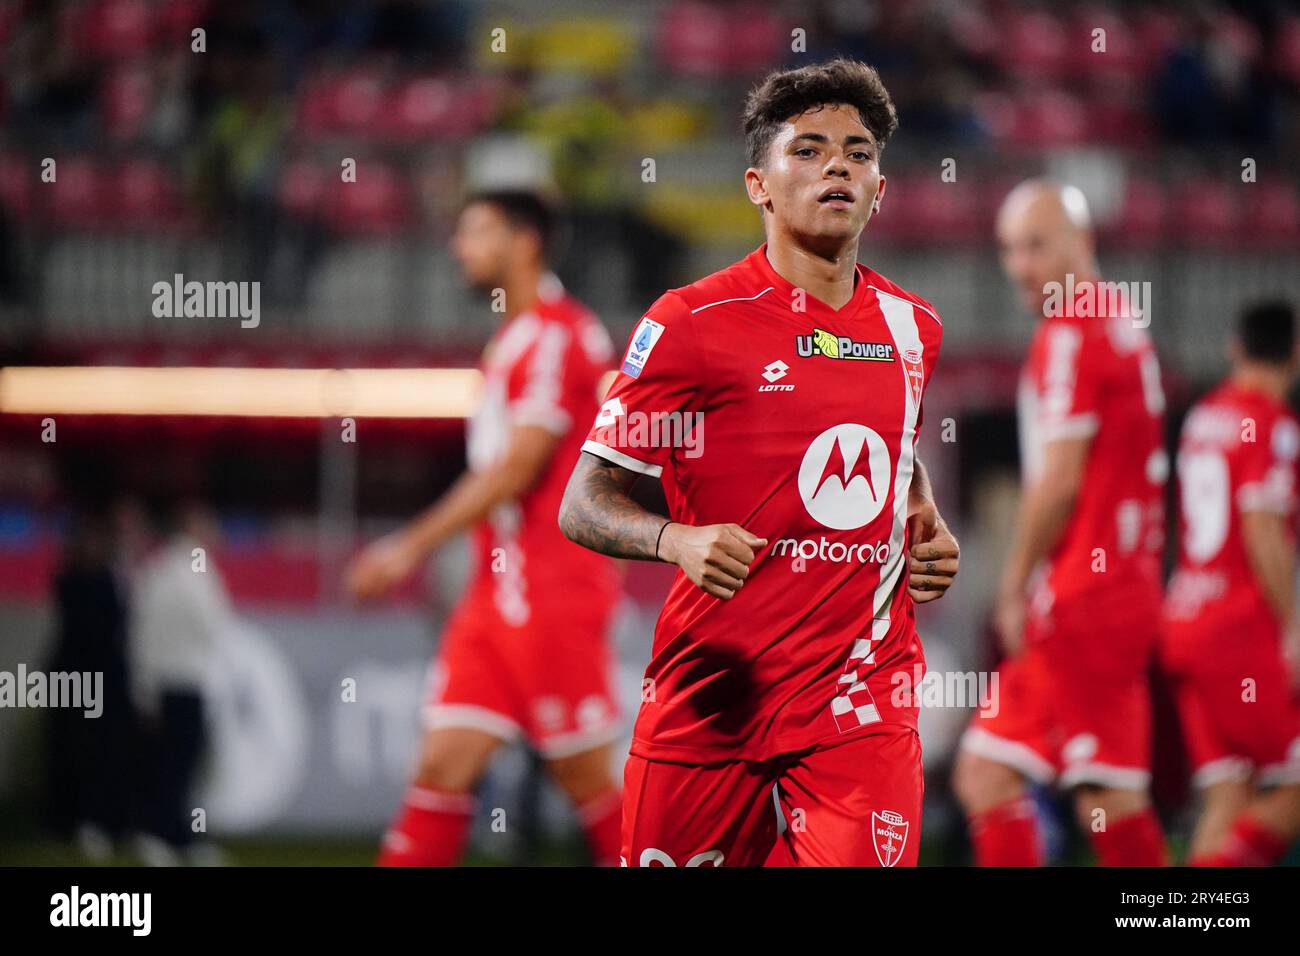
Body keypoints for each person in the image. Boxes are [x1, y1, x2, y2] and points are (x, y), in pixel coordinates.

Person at [558, 58, 959, 867]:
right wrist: (676, 540)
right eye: (808, 150)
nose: (838, 166)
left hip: (860, 696)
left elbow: (895, 446)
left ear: (879, 190)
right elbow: (583, 500)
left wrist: (923, 509)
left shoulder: (914, 327)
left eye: (857, 153)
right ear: (759, 187)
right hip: (714, 694)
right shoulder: (691, 323)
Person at [347, 190, 624, 866]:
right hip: (495, 597)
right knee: (441, 765)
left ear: (523, 242)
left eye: (475, 231)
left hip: (552, 592)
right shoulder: (517, 337)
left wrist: (408, 546)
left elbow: (519, 467)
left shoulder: (559, 333)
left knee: (588, 778)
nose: (458, 247)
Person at [952, 180, 1168, 866]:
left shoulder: (1072, 332)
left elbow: (1058, 481)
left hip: (1084, 595)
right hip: (1120, 588)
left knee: (1011, 777)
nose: (1020, 266)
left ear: (1083, 241)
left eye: (1037, 246)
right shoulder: (1118, 320)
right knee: (1089, 790)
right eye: (1009, 249)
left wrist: (1013, 585)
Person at [1163, 300, 1300, 866]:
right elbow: (1262, 526)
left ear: (1235, 348)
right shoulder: (1273, 424)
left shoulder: (1204, 416)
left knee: (1228, 794)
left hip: (1185, 620)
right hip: (1238, 632)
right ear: (1295, 356)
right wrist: (1292, 623)